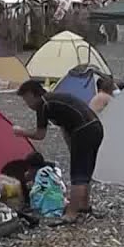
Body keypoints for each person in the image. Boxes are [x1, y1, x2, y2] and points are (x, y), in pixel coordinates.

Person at [13, 80, 103, 224]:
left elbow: (40, 135)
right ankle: (84, 207)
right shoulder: (54, 100)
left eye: (25, 99)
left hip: (83, 131)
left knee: (78, 175)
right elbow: (65, 126)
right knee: (85, 171)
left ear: (31, 94)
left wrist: (21, 131)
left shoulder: (43, 105)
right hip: (96, 127)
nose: (27, 104)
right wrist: (71, 147)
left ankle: (71, 214)